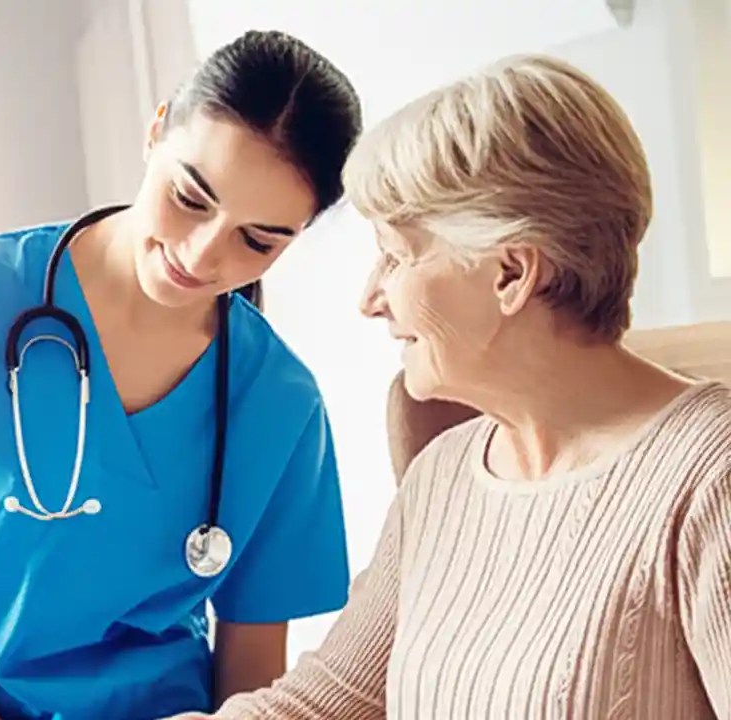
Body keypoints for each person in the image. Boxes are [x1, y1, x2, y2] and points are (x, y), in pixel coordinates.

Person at [0, 30, 364, 719]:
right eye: (190, 198)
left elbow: (247, 671)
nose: (201, 253)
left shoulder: (277, 403)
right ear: (158, 130)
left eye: (257, 240)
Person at [180, 53, 731, 720]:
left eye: (398, 255)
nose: (371, 298)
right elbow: (316, 707)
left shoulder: (712, 480)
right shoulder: (443, 476)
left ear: (511, 273)